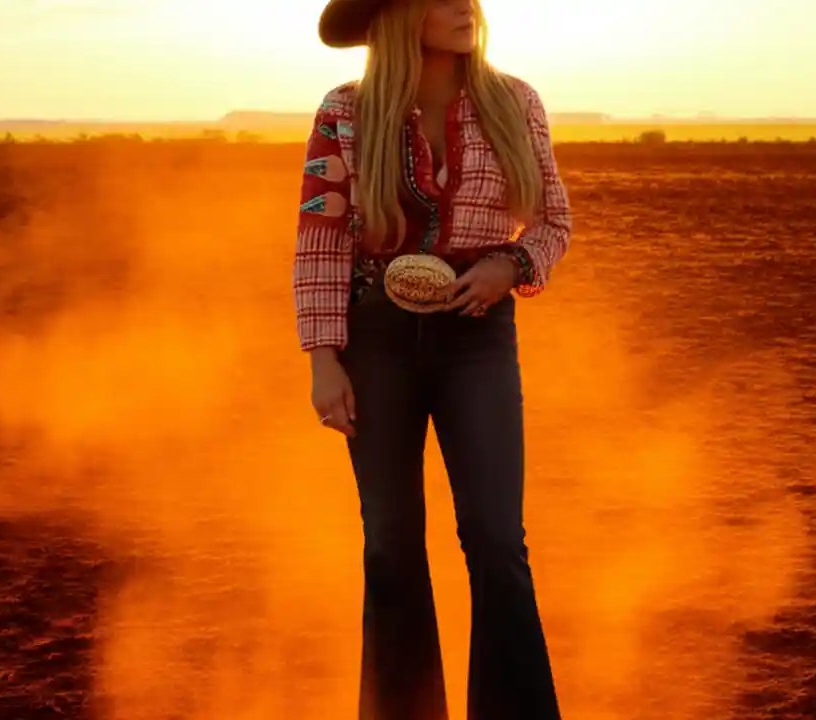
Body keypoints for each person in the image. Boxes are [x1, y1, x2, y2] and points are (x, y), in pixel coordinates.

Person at [292, 0, 571, 717]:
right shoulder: (344, 112)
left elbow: (554, 220)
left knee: (496, 538)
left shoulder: (516, 103)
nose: (463, 8)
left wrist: (511, 264)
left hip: (477, 336)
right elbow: (321, 239)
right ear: (398, 16)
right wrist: (324, 358)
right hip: (374, 339)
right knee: (389, 542)